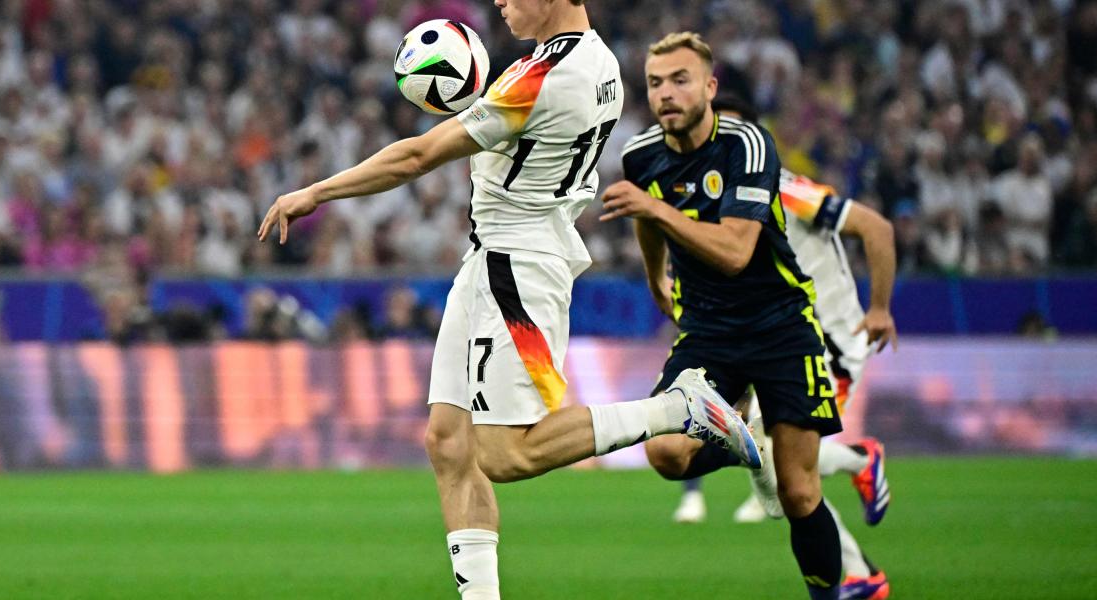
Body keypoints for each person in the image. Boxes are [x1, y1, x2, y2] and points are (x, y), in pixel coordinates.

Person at [257, 4, 760, 599]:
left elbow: (419, 156)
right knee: (448, 440)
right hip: (493, 256)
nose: (500, 2)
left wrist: (317, 191)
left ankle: (678, 409)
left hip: (518, 266)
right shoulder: (593, 61)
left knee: (504, 452)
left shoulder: (546, 76)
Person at [604, 32, 843, 600]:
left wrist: (655, 208)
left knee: (800, 491)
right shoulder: (642, 154)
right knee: (664, 453)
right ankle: (742, 440)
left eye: (680, 80)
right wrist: (653, 273)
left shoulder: (748, 145)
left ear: (710, 88)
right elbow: (646, 212)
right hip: (709, 330)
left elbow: (736, 253)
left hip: (781, 323)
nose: (666, 94)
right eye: (655, 83)